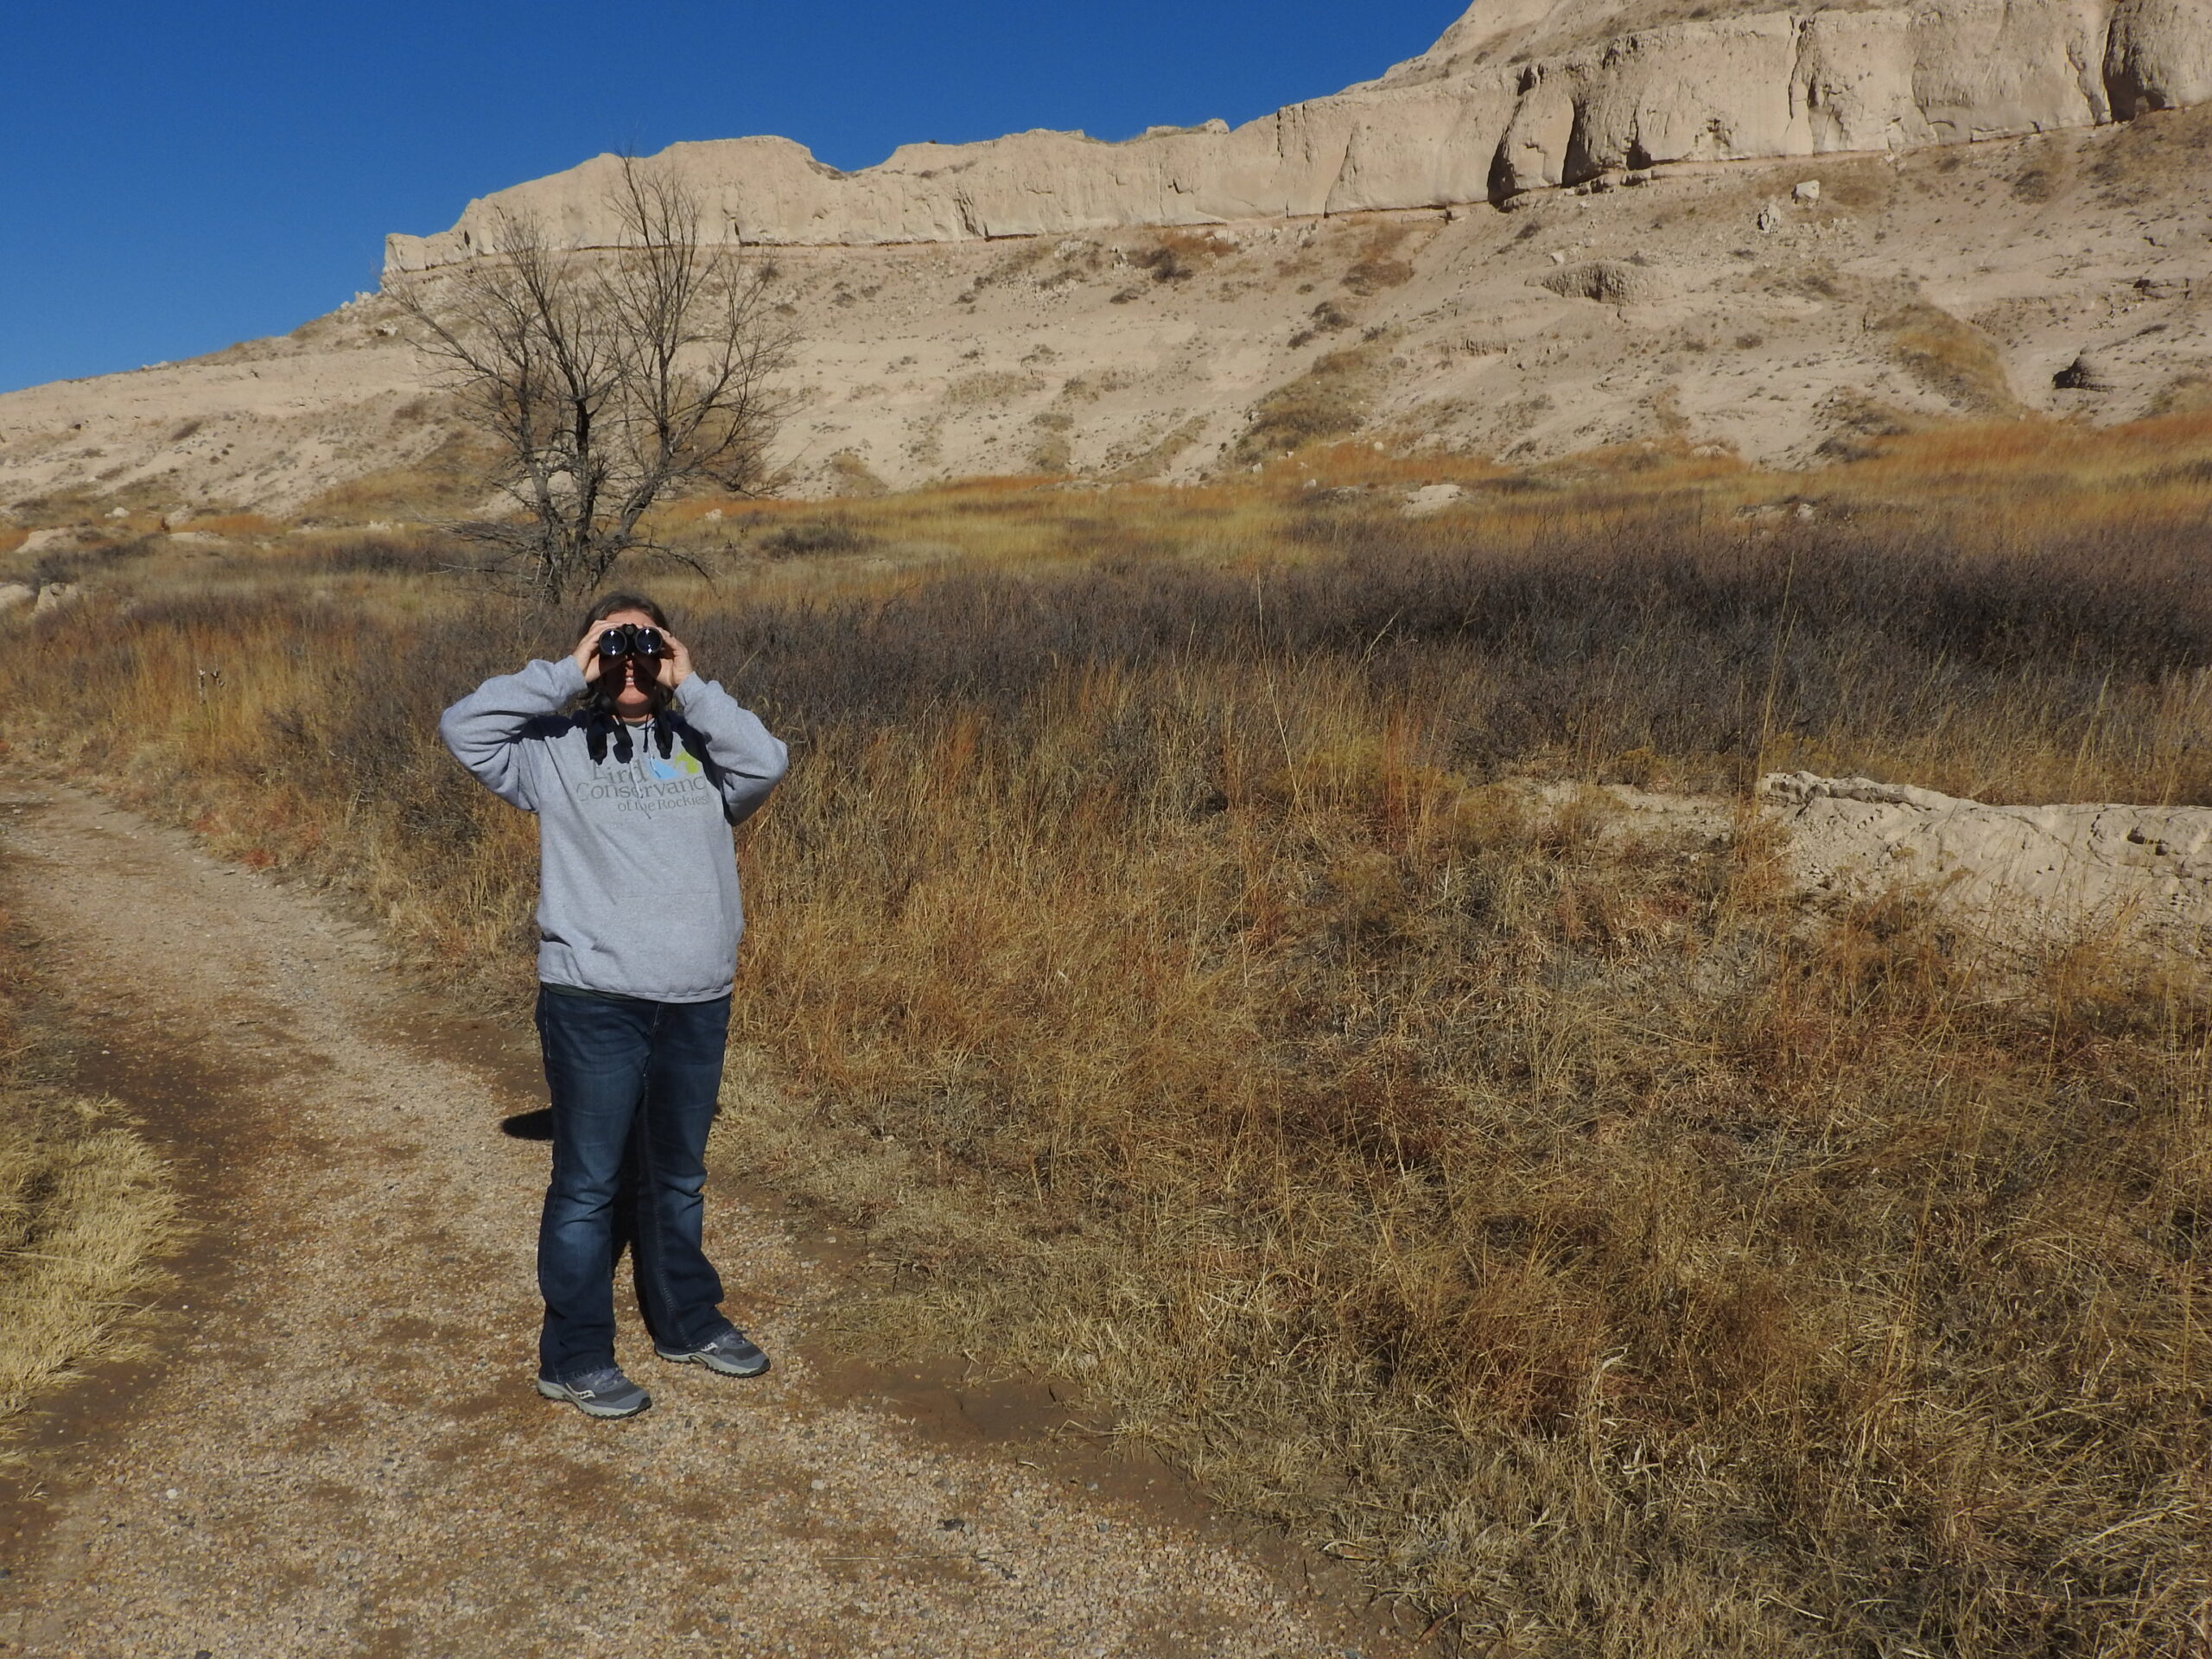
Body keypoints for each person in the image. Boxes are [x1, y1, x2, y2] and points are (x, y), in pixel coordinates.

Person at [440, 593, 789, 1418]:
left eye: (644, 644)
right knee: (590, 1184)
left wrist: (689, 680)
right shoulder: (548, 751)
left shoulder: (703, 743)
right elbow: (465, 726)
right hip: (593, 997)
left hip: (696, 995)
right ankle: (574, 1355)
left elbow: (768, 762)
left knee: (677, 1178)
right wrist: (569, 669)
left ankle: (686, 1322)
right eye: (615, 644)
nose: (630, 662)